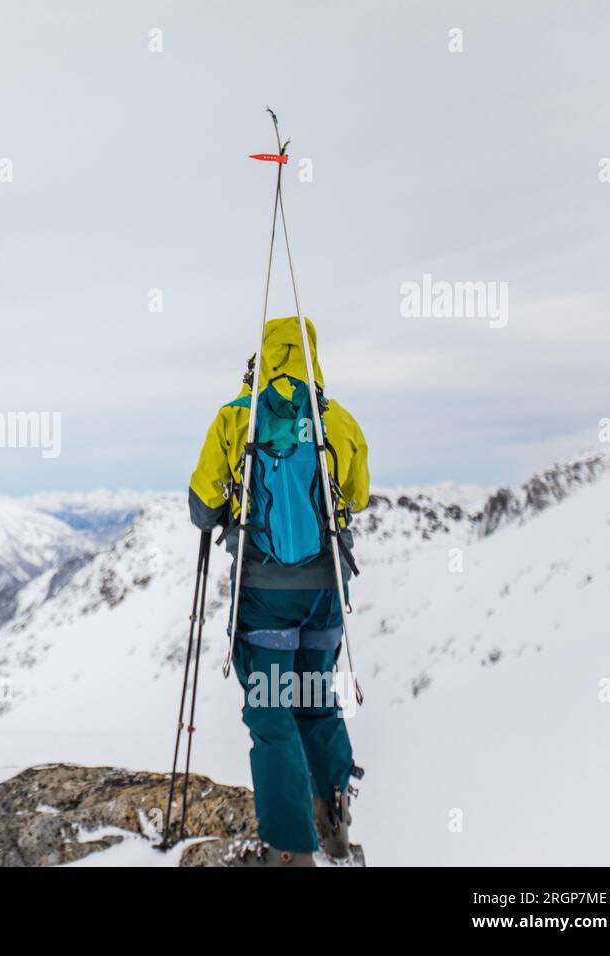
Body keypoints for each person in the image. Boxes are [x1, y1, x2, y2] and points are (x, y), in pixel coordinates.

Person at [188, 315, 369, 866]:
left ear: (261, 356)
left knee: (271, 713)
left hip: (264, 591)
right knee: (316, 703)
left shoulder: (236, 420)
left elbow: (202, 507)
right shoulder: (337, 421)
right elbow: (357, 499)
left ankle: (290, 851)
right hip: (324, 593)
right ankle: (334, 828)